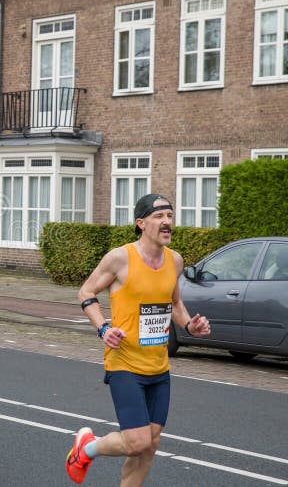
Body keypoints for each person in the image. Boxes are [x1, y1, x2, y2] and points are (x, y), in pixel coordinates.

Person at [66, 193, 211, 485]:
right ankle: (87, 448)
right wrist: (103, 329)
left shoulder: (175, 260)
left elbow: (174, 304)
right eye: (159, 216)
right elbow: (86, 292)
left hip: (159, 367)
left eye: (169, 216)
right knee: (137, 442)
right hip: (125, 364)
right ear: (141, 223)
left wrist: (189, 325)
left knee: (150, 444)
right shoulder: (120, 257)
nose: (167, 222)